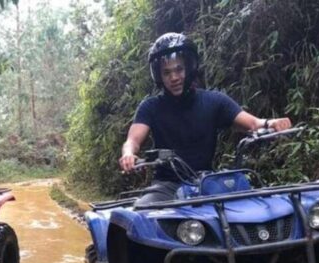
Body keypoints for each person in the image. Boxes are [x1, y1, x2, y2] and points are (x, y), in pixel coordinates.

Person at [118, 33, 292, 203]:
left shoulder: (213, 101)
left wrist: (271, 123)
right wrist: (128, 154)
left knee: (249, 206)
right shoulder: (150, 107)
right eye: (167, 72)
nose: (174, 77)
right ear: (159, 76)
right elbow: (133, 140)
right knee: (143, 211)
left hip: (207, 182)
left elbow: (253, 123)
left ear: (189, 67)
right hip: (167, 185)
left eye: (179, 69)